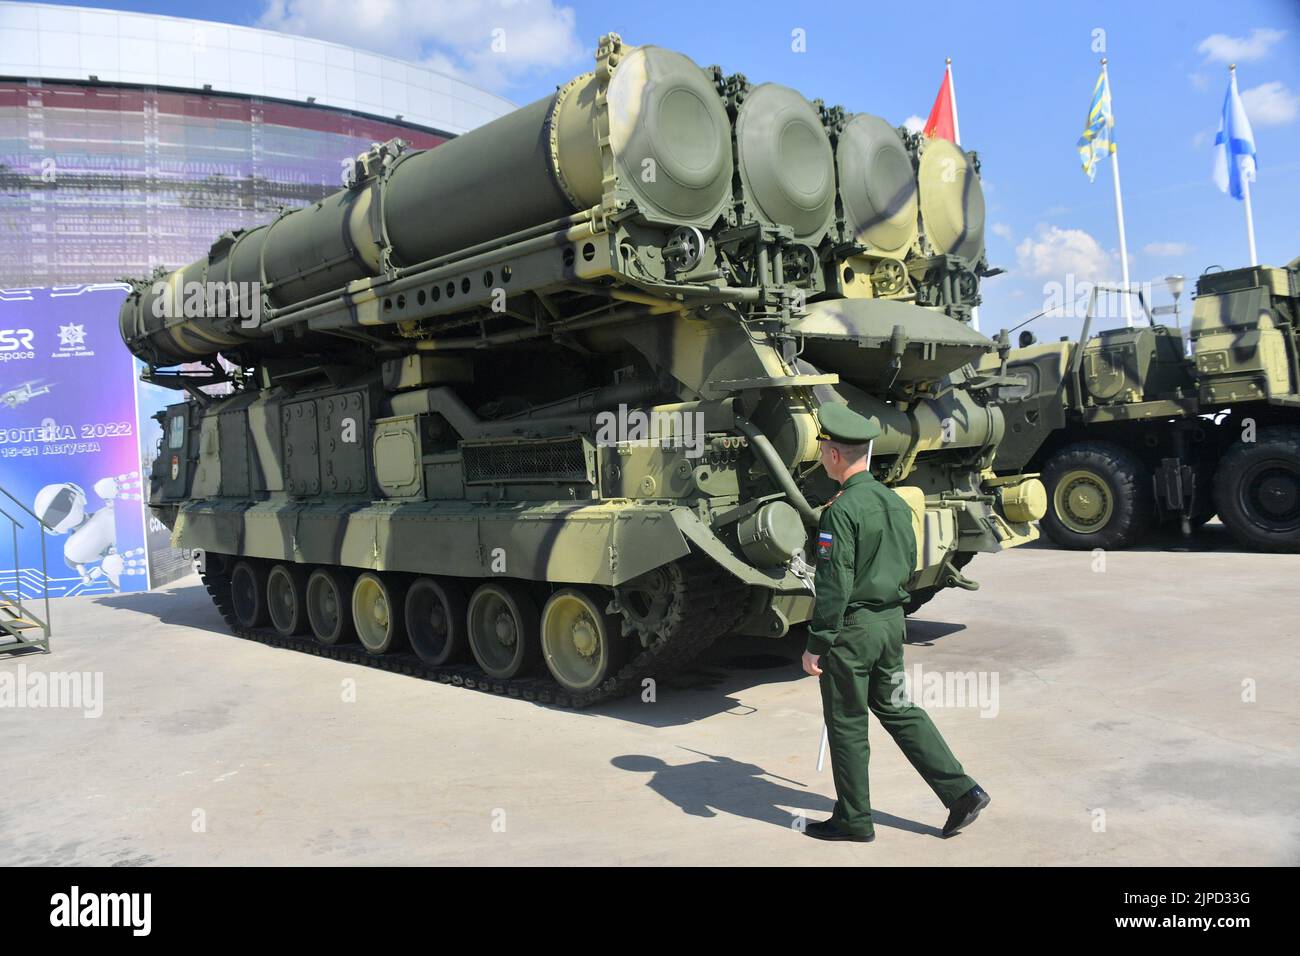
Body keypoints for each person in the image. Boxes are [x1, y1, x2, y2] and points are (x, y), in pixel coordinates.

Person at [801, 402, 989, 843]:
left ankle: (854, 818)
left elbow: (833, 585)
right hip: (890, 624)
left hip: (852, 630)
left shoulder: (839, 512)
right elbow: (908, 564)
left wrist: (817, 642)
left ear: (832, 454)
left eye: (824, 449)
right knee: (899, 709)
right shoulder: (894, 501)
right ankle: (962, 791)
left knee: (847, 722)